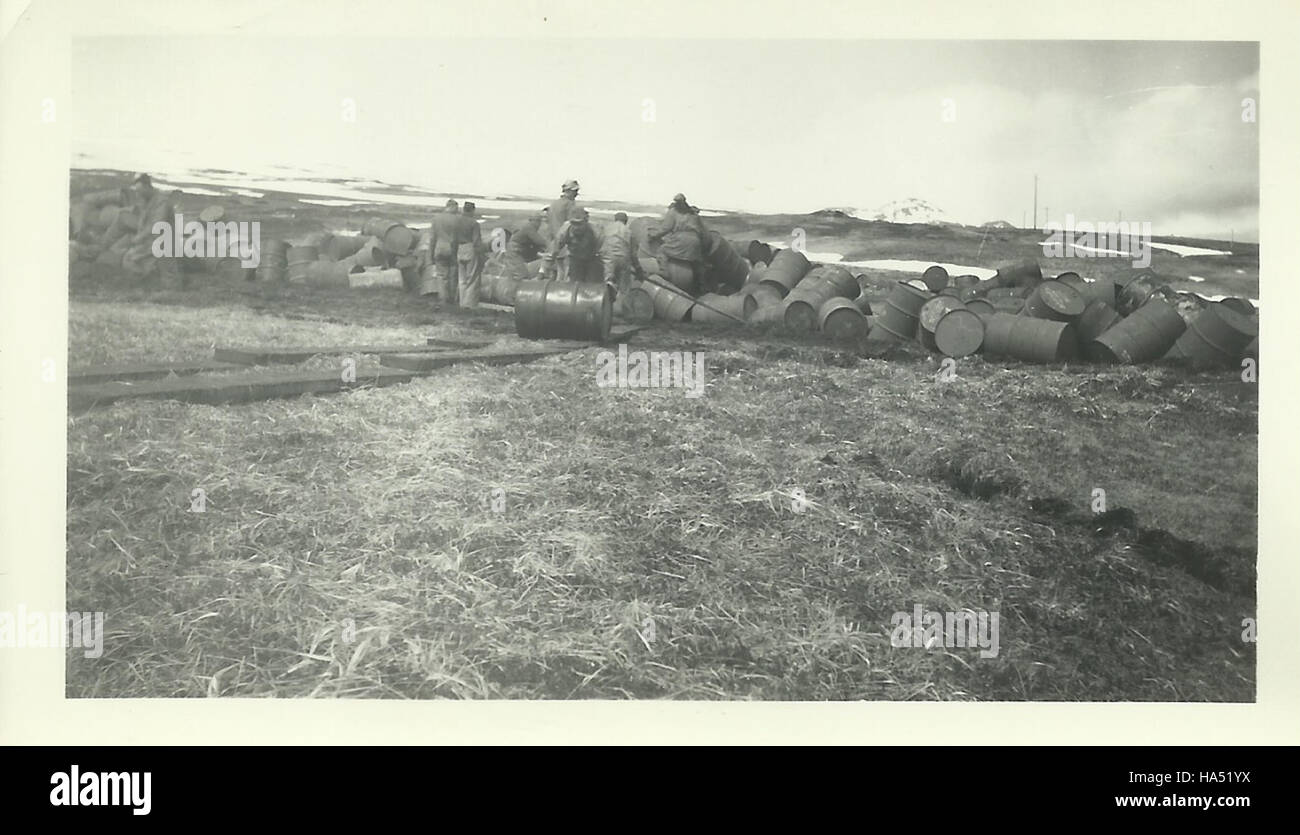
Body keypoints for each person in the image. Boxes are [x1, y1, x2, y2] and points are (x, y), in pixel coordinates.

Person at [120, 173, 182, 286]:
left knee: (169, 277)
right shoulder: (147, 200)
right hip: (151, 242)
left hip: (164, 242)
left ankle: (151, 282)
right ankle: (146, 280)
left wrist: (139, 238)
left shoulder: (162, 201)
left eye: (140, 191)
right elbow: (143, 223)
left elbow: (156, 225)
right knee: (129, 258)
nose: (138, 194)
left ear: (147, 187)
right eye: (136, 191)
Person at [540, 207, 602, 283]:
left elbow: (605, 252)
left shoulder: (596, 231)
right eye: (574, 224)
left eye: (579, 224)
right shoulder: (564, 231)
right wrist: (542, 270)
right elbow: (553, 251)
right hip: (575, 259)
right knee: (574, 284)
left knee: (593, 285)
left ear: (586, 221)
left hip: (593, 259)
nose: (576, 227)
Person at [600, 211, 646, 294]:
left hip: (608, 259)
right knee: (624, 287)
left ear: (615, 219)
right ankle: (622, 300)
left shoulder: (606, 228)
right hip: (623, 258)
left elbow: (600, 244)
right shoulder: (629, 232)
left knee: (607, 282)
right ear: (626, 221)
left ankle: (607, 299)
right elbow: (633, 255)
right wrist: (638, 269)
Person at [427, 198, 461, 301]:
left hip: (439, 249)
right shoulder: (458, 220)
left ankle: (443, 299)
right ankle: (452, 299)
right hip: (453, 249)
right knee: (453, 275)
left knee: (441, 276)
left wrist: (430, 254)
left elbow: (432, 238)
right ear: (454, 207)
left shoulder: (436, 219)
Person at [455, 201, 485, 307]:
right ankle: (469, 305)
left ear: (463, 209)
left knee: (461, 279)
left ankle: (462, 303)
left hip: (459, 248)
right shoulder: (474, 223)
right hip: (470, 248)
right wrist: (481, 254)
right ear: (473, 210)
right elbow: (476, 241)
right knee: (472, 278)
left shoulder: (457, 221)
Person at [505, 212, 549, 277]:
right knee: (522, 274)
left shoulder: (529, 228)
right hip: (515, 251)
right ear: (532, 221)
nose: (538, 224)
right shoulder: (529, 228)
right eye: (537, 221)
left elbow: (536, 244)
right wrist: (551, 245)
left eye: (539, 221)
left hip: (519, 251)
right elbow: (539, 241)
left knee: (523, 272)